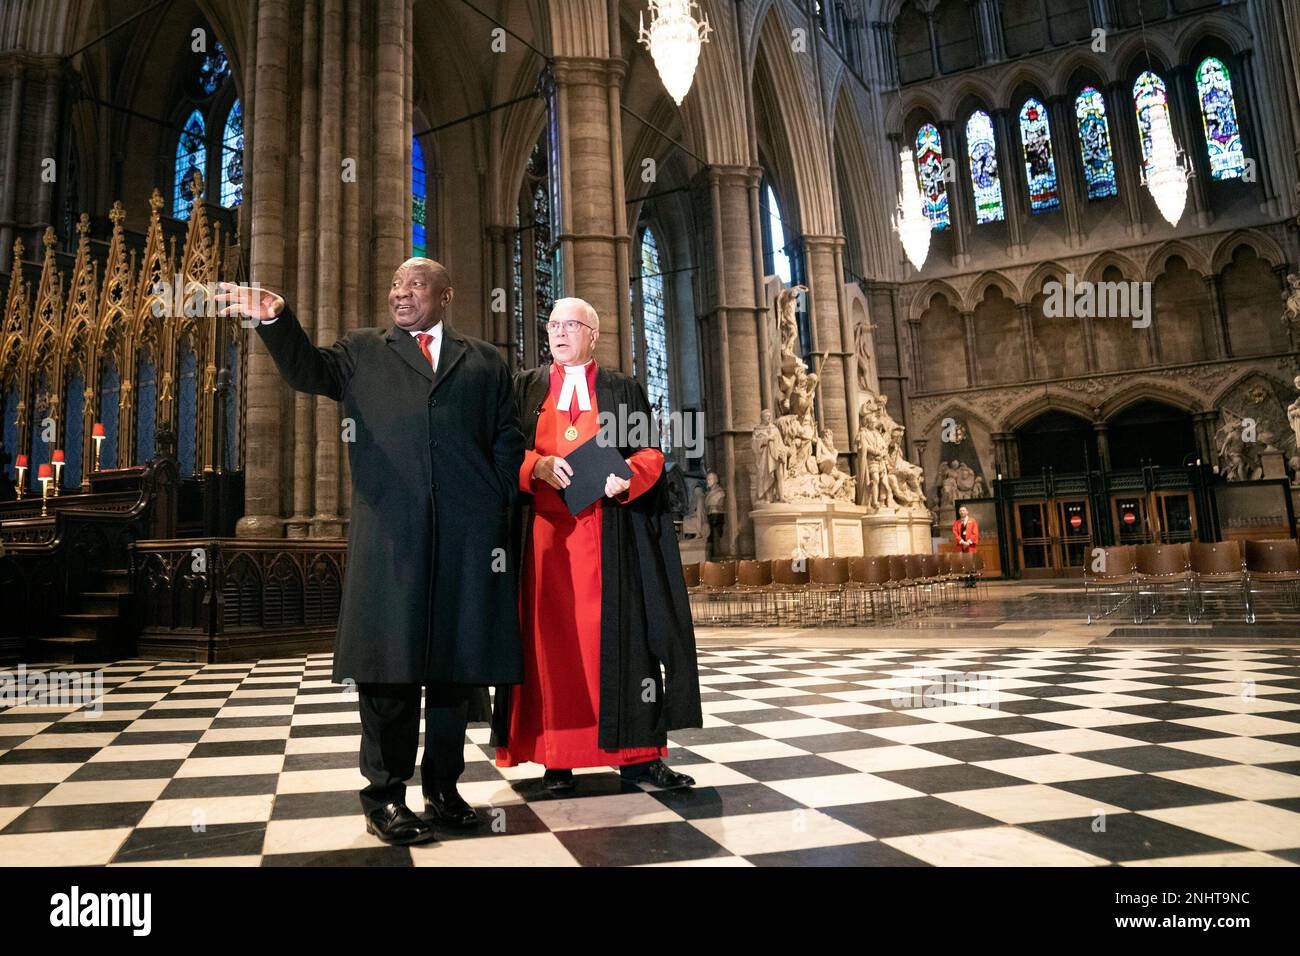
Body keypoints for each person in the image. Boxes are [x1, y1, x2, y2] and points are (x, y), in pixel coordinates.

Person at [216, 259, 524, 847]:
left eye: (414, 285)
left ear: (446, 294)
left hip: (466, 539)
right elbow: (309, 371)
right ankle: (385, 797)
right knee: (389, 671)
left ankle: (444, 789)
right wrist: (277, 320)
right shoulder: (363, 349)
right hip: (392, 538)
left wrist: (496, 499)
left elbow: (506, 437)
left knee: (453, 672)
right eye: (393, 285)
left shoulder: (484, 360)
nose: (399, 294)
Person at [493, 297, 702, 793]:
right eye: (553, 325)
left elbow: (650, 450)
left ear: (594, 334)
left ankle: (638, 756)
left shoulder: (621, 388)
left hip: (612, 538)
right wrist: (534, 467)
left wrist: (628, 475)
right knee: (549, 651)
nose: (559, 333)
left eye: (571, 325)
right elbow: (501, 449)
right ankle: (556, 760)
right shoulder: (525, 388)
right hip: (544, 544)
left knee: (627, 641)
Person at [952, 504, 979, 588]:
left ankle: (973, 582)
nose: (962, 512)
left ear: (967, 512)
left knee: (972, 563)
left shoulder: (973, 521)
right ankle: (967, 582)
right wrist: (962, 542)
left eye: (963, 510)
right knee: (965, 564)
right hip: (962, 546)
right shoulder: (957, 523)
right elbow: (955, 533)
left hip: (970, 546)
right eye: (960, 511)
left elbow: (975, 533)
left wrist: (968, 542)